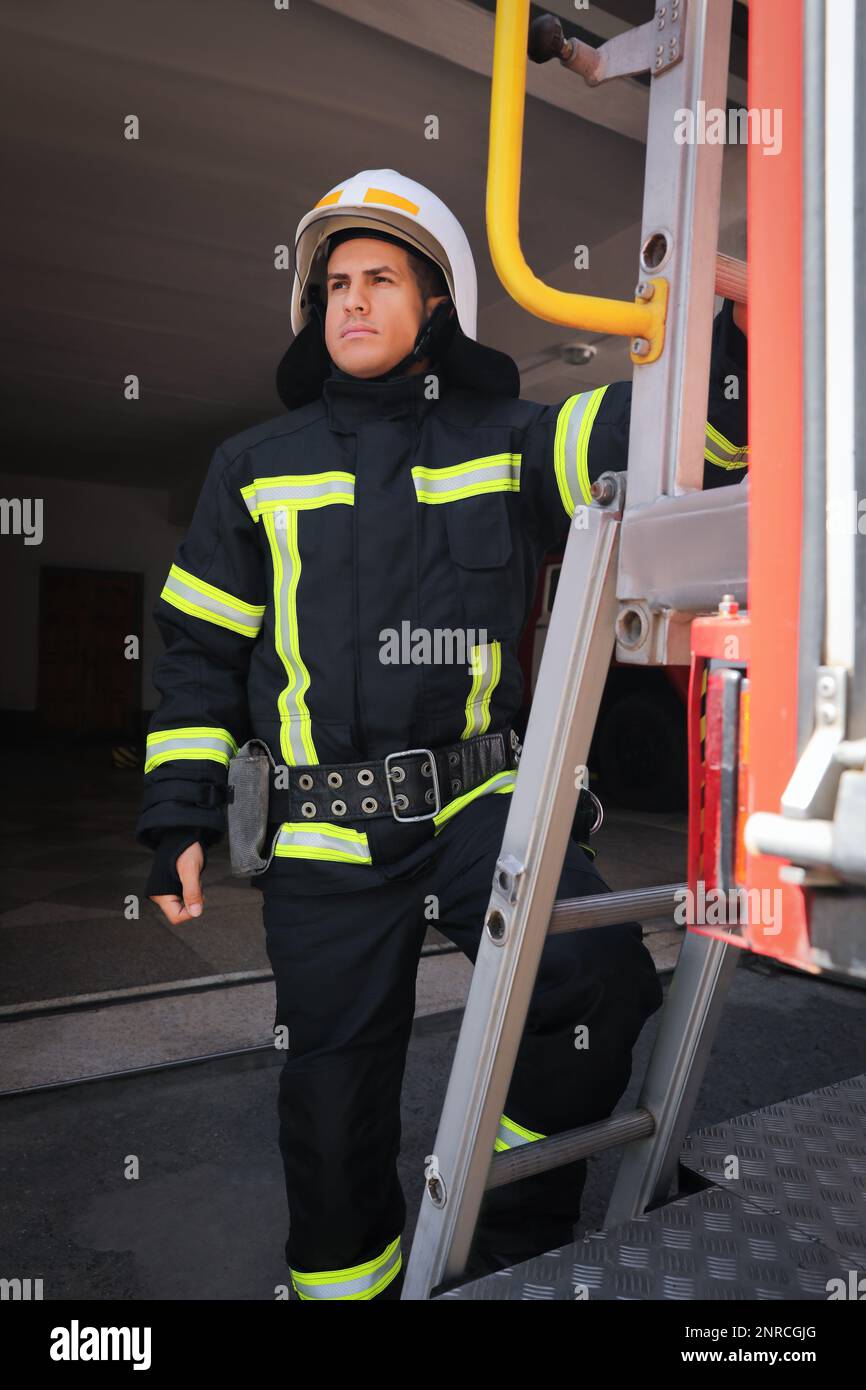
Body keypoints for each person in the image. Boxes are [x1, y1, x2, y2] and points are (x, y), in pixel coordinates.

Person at [139, 169, 748, 1300]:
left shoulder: (507, 439)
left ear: (435, 305)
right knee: (329, 1102)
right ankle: (348, 1291)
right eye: (334, 284)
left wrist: (735, 352)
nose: (351, 300)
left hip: (477, 808)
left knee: (597, 984)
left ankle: (510, 1234)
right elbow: (196, 655)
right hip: (322, 835)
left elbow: (654, 442)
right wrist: (178, 805)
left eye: (379, 278)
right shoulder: (253, 469)